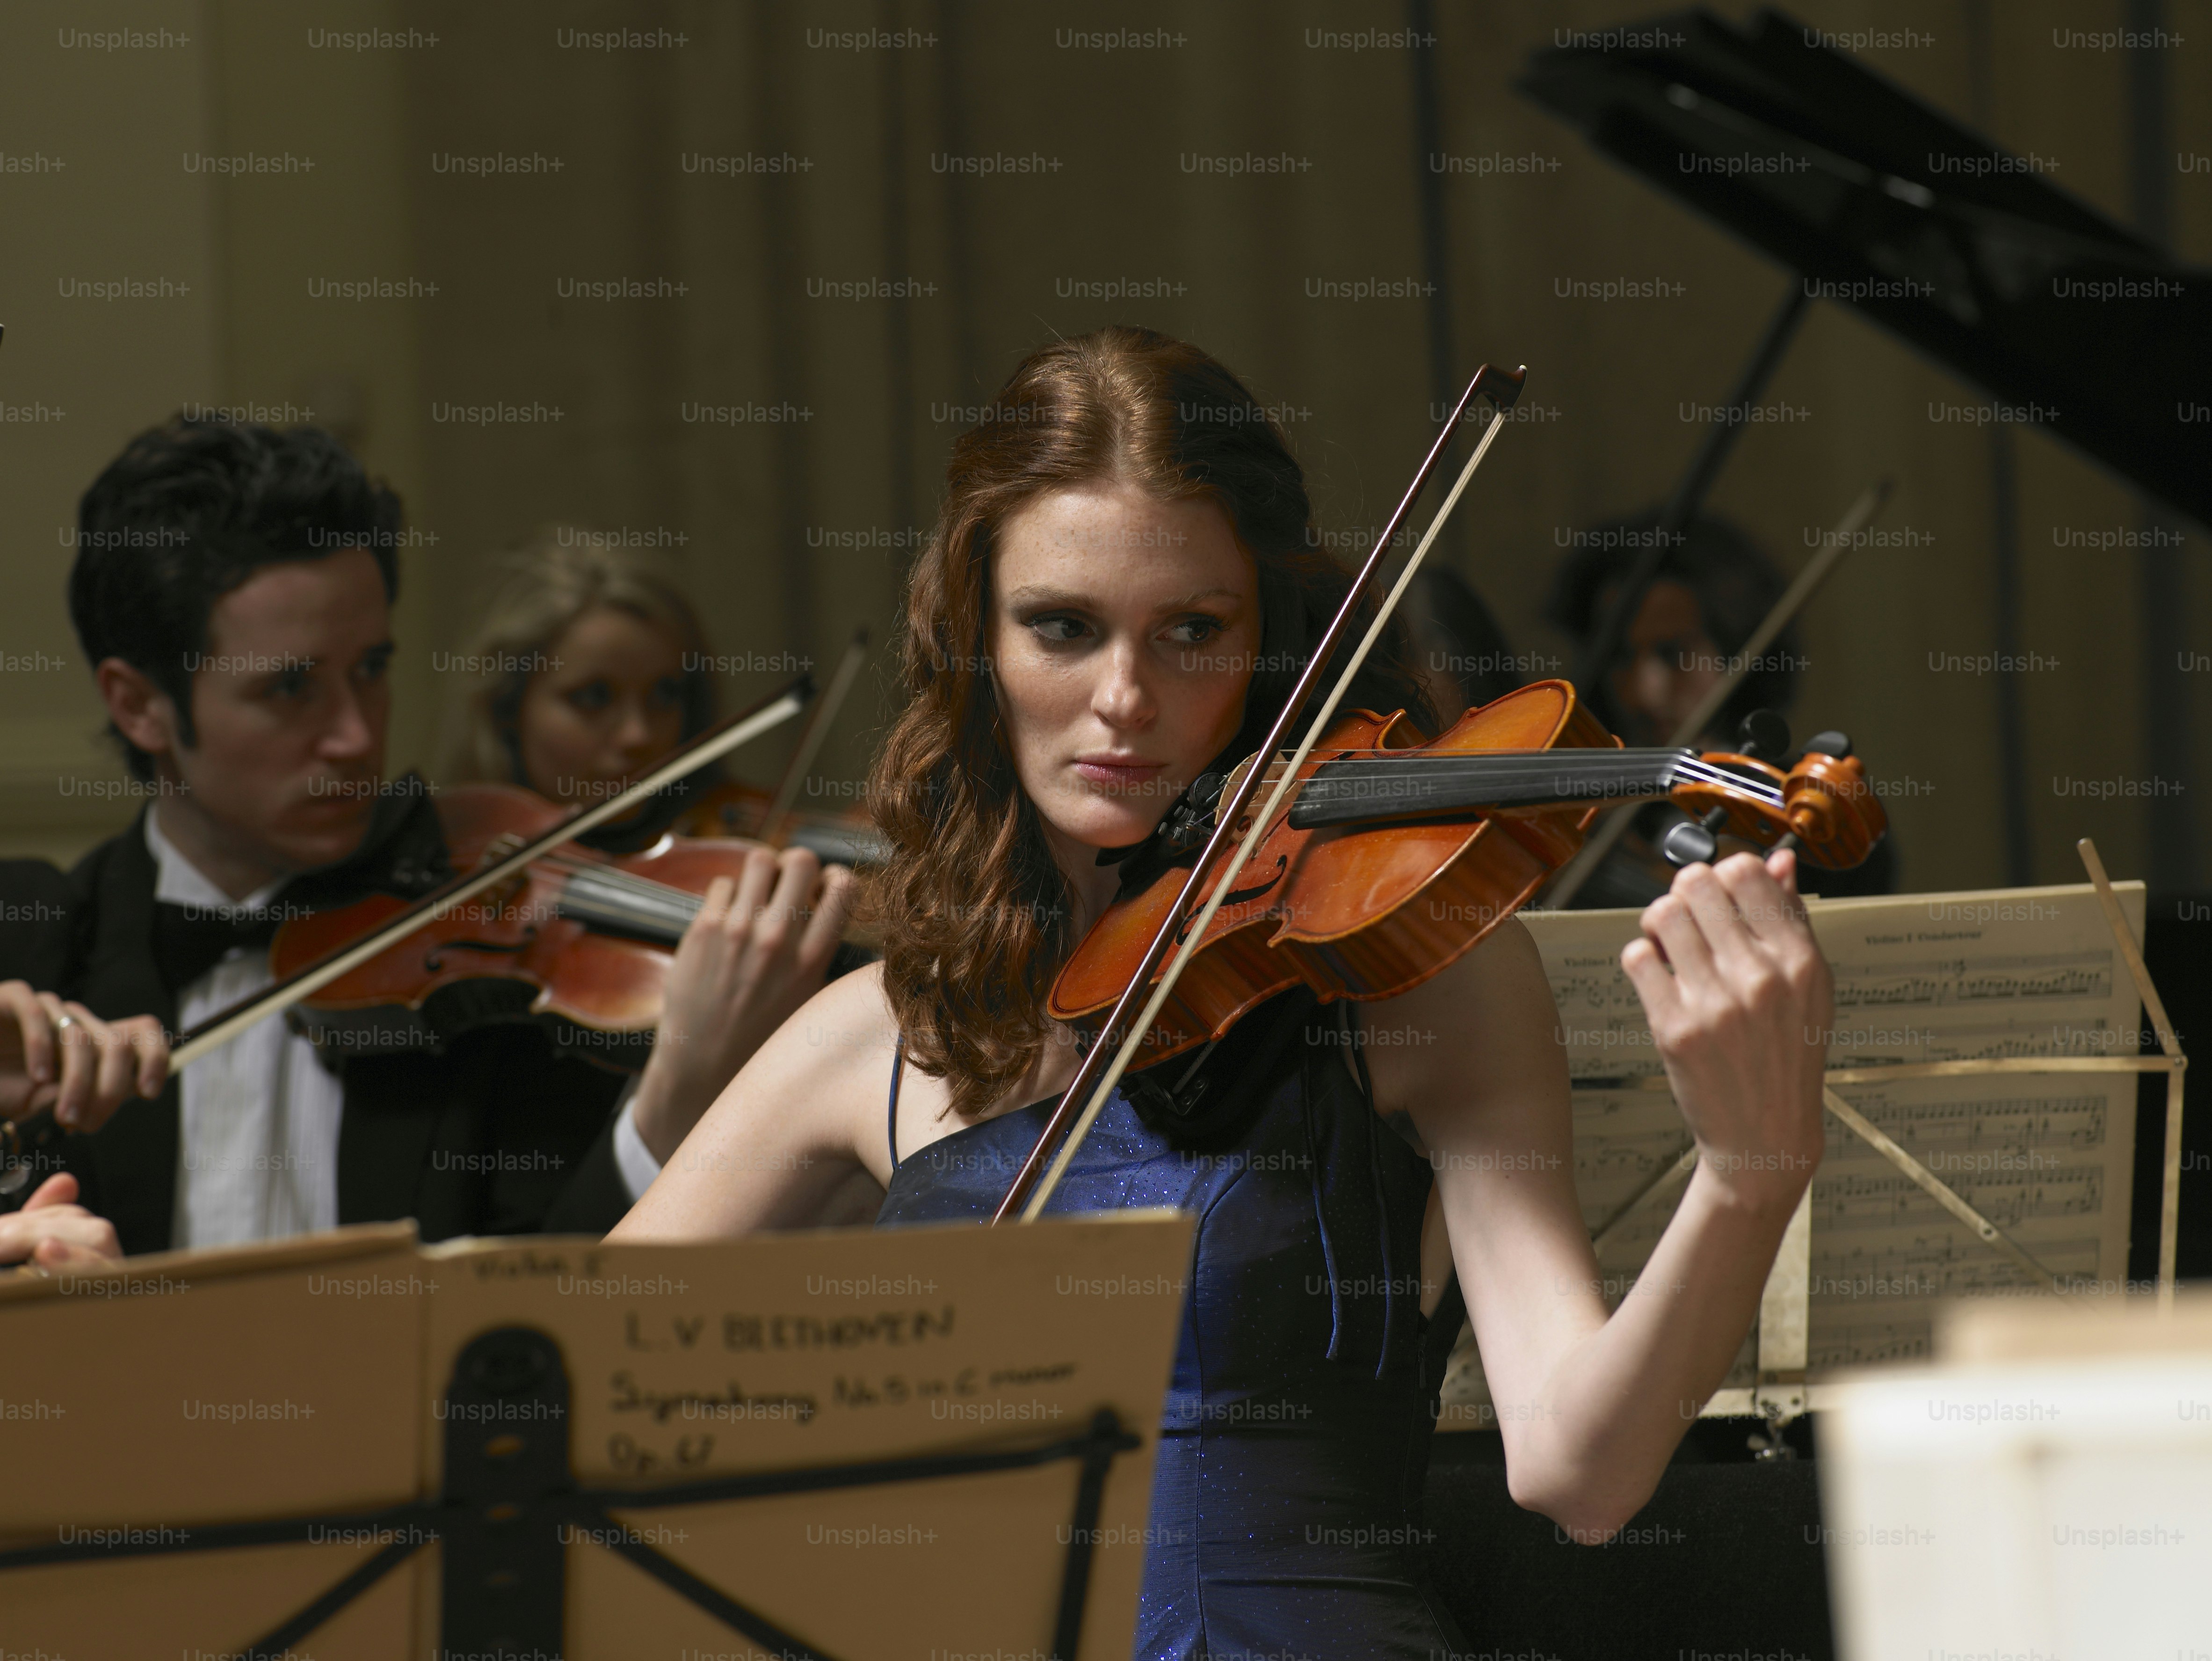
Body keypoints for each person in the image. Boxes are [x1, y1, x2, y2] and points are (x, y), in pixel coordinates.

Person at [610, 328, 1835, 1656]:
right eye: (1062, 628)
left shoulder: (1415, 980)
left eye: (1193, 630)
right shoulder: (879, 1035)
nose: (1125, 699)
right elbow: (548, 1393)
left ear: (1272, 647)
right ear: (977, 642)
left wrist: (1747, 1171)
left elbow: (1580, 1473)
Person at [0, 417, 854, 1266]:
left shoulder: (482, 967)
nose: (354, 737)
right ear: (139, 706)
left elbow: (556, 1323)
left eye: (370, 670)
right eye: (290, 688)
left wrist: (674, 1099)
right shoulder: (30, 951)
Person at [1548, 512, 1897, 904]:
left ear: (1736, 647)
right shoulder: (1589, 812)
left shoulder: (1810, 809)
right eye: (1620, 656)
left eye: (1673, 653)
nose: (1643, 691)